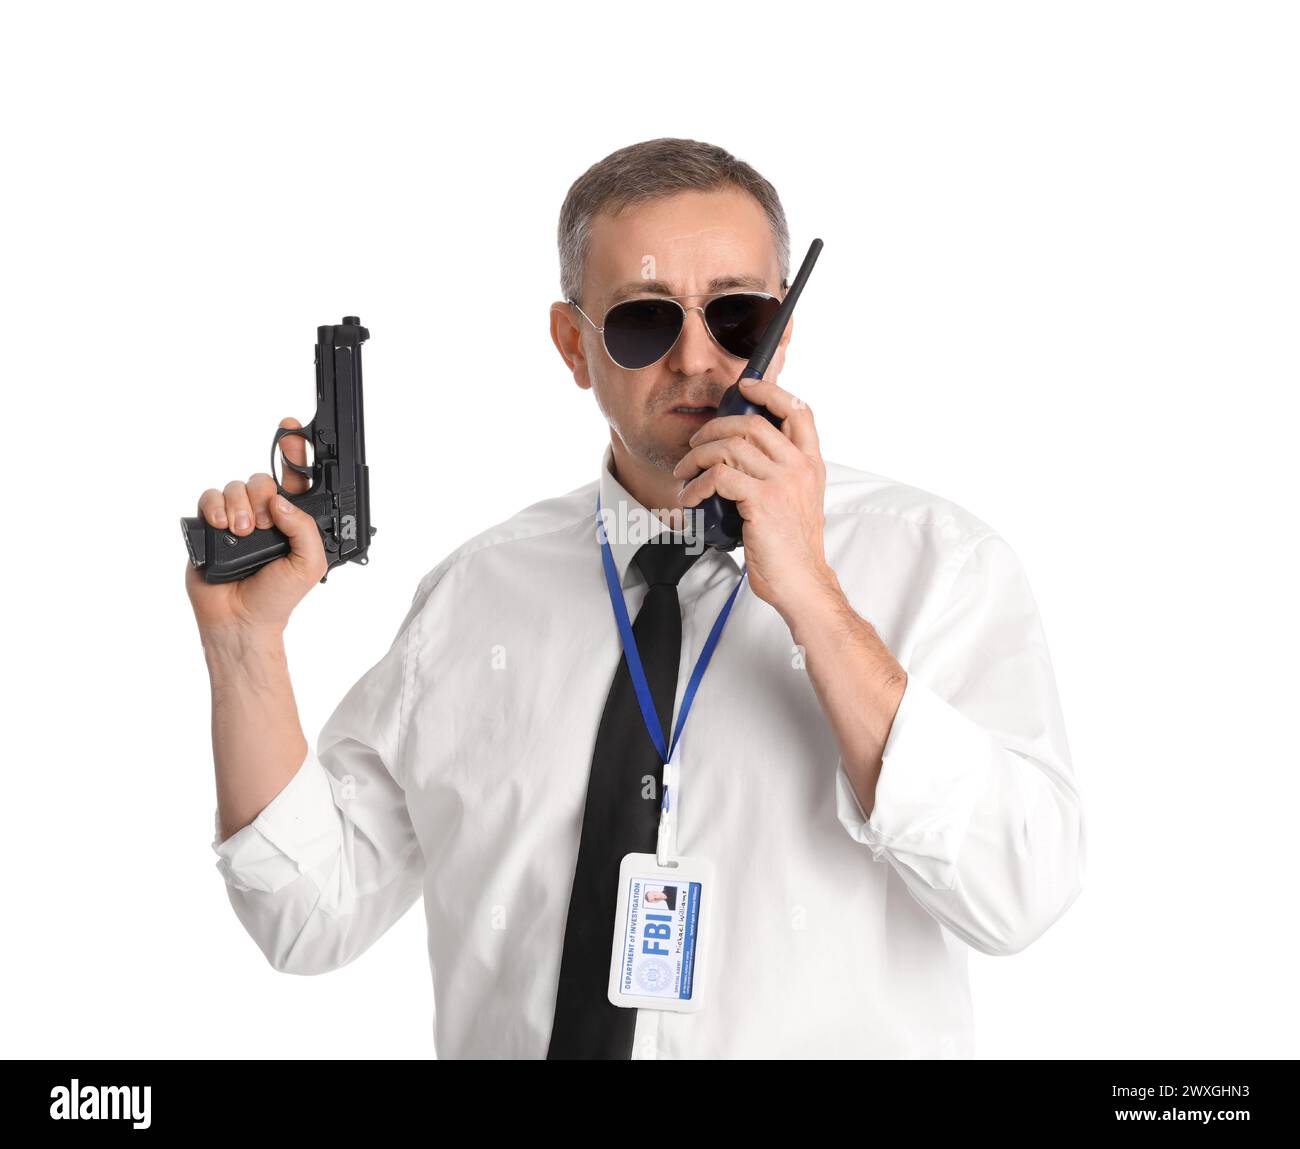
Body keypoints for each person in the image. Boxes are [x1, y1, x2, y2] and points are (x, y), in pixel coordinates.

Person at [187, 137, 1086, 1060]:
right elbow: (306, 914)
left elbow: (1019, 891)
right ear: (574, 345)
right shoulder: (471, 602)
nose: (698, 358)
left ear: (784, 326)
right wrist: (244, 647)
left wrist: (814, 597)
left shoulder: (940, 564)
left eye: (737, 314)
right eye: (645, 322)